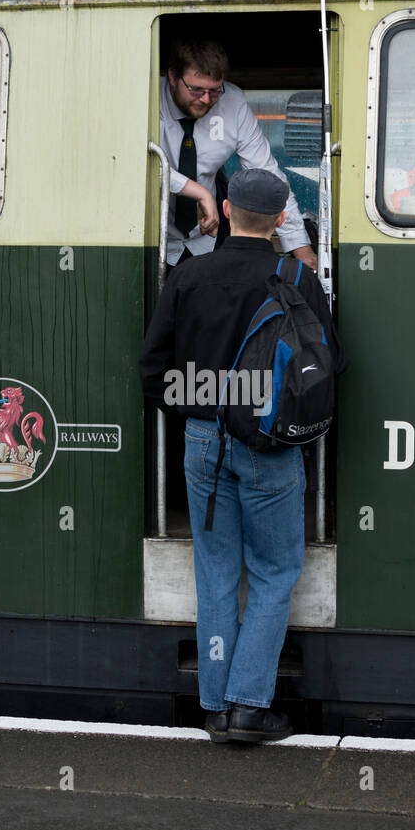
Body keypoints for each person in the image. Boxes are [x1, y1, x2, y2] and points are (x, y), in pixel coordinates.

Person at [139, 168, 346, 745]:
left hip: (203, 441)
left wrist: (203, 411)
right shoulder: (296, 278)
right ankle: (249, 706)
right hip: (270, 447)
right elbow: (332, 365)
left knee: (216, 572)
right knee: (275, 572)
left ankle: (212, 703)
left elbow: (153, 374)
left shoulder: (189, 275)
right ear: (282, 219)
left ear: (226, 209)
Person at [160, 40, 318, 270]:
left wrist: (301, 248)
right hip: (150, 236)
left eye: (214, 91)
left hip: (206, 237)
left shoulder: (233, 102)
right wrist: (199, 192)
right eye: (196, 90)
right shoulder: (145, 97)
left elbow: (267, 175)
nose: (205, 99)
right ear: (173, 77)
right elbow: (136, 162)